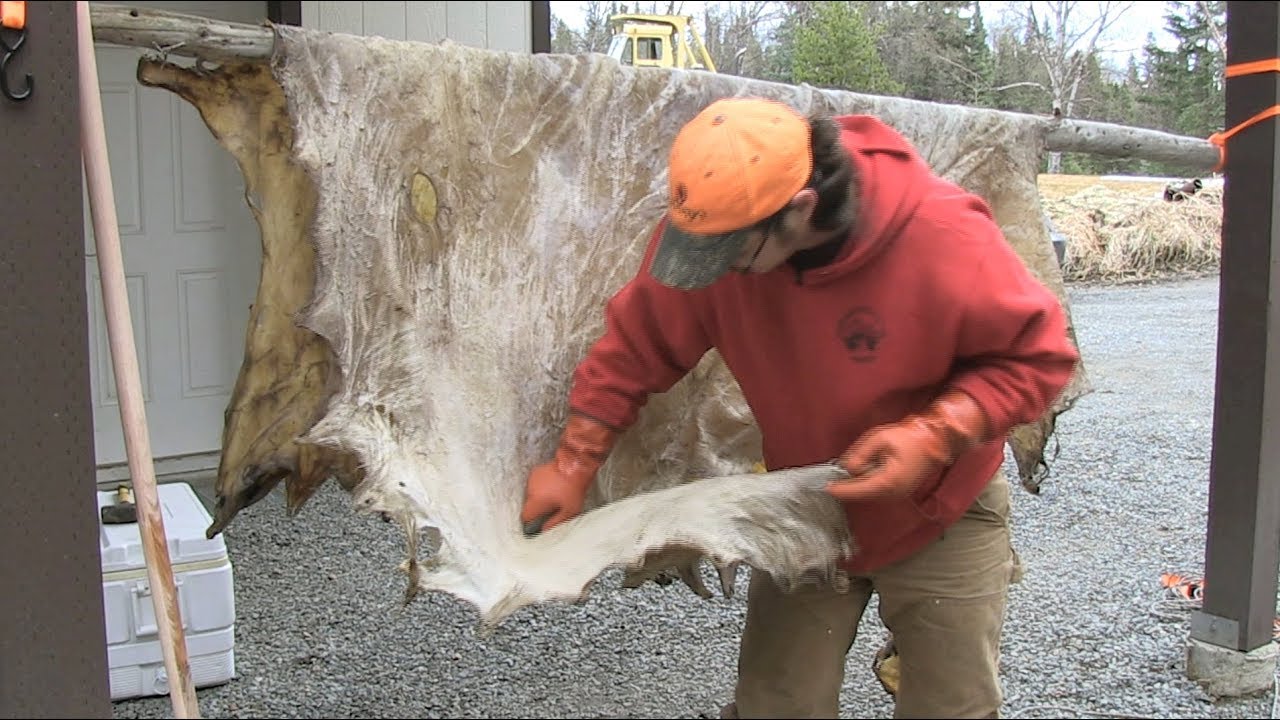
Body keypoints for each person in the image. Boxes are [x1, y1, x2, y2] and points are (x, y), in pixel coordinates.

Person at [520, 96, 1081, 719]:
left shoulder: (942, 233)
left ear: (801, 209)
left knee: (952, 705)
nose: (714, 270)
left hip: (942, 503)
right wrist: (574, 462)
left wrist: (935, 435)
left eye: (731, 254)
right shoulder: (715, 230)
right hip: (806, 505)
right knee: (775, 705)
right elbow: (634, 348)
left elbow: (1038, 356)